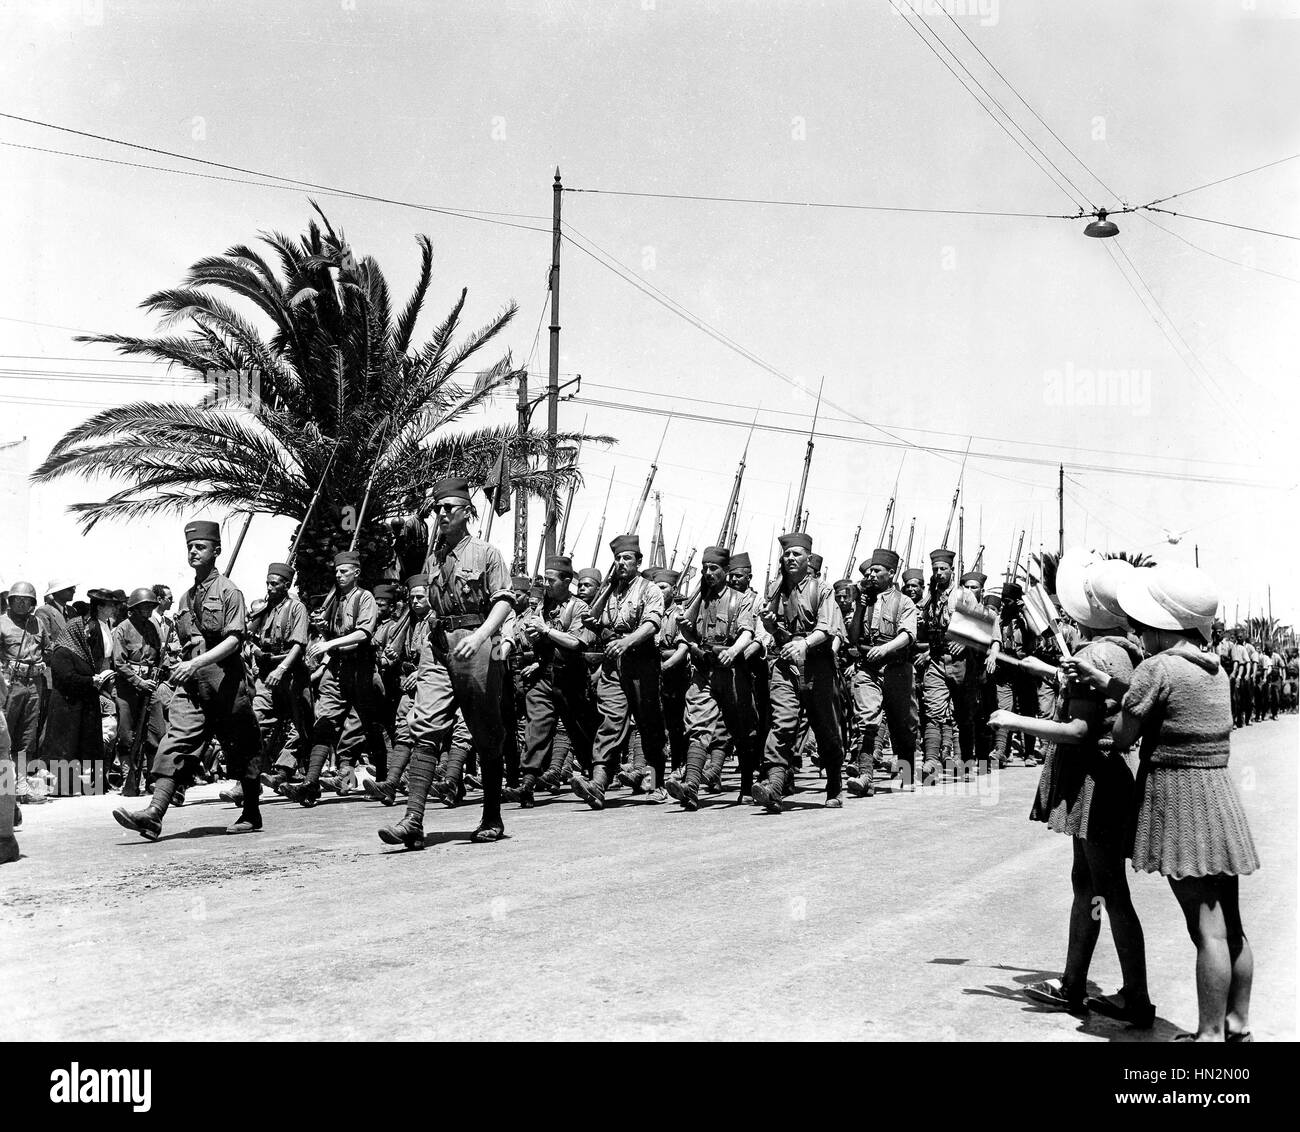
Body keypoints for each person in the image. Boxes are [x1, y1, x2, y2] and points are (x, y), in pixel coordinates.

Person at [997, 551, 1152, 1022]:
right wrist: (1045, 672)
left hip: (1094, 776)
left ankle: (1134, 997)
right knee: (1089, 883)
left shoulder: (1096, 653)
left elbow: (1083, 730)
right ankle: (1072, 983)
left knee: (1108, 889)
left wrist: (1014, 719)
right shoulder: (1124, 650)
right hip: (1105, 775)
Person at [1113, 563, 1258, 1042]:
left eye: (1142, 627)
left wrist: (1120, 707)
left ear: (1161, 626)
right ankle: (1237, 1021)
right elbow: (1179, 711)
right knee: (1230, 922)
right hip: (1218, 796)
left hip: (1179, 800)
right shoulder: (1215, 669)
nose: (1138, 635)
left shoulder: (1155, 668)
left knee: (1206, 929)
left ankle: (1209, 1034)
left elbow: (1123, 737)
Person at [378, 477, 516, 848]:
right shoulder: (434, 556)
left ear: (468, 512)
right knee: (424, 724)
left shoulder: (487, 553)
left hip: (475, 643)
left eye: (448, 508)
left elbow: (503, 601)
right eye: (437, 509)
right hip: (439, 645)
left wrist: (482, 635)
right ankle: (413, 820)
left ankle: (491, 816)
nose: (441, 514)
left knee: (485, 731)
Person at [112, 521, 263, 838]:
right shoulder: (184, 598)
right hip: (193, 685)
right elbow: (187, 641)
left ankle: (251, 812)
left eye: (201, 547)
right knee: (175, 740)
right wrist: (186, 664)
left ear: (216, 551)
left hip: (226, 681)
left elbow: (234, 639)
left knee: (240, 747)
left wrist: (196, 662)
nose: (194, 551)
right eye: (190, 547)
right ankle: (155, 813)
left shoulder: (229, 592)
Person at [282, 551, 388, 806]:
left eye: (344, 572)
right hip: (337, 669)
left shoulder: (365, 598)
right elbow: (330, 630)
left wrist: (329, 643)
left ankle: (386, 780)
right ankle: (310, 784)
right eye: (337, 572)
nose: (339, 576)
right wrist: (322, 626)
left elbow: (363, 633)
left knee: (373, 727)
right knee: (325, 724)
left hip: (361, 669)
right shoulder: (335, 601)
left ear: (356, 573)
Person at [570, 535, 668, 809]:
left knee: (648, 725)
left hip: (642, 662)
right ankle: (599, 783)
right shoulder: (610, 591)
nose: (621, 563)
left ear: (638, 561)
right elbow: (592, 619)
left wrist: (627, 641)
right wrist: (602, 617)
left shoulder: (649, 590)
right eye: (617, 558)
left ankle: (656, 783)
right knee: (610, 720)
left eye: (627, 558)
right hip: (614, 663)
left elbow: (651, 624)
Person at [753, 532, 845, 812]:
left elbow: (826, 628)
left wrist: (803, 644)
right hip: (786, 665)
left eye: (796, 554)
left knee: (826, 728)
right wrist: (770, 625)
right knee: (782, 723)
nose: (790, 558)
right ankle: (775, 786)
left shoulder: (822, 589)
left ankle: (834, 786)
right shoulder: (775, 589)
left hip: (818, 666)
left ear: (808, 558)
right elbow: (776, 630)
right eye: (787, 554)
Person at [665, 546, 757, 811]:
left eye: (713, 568)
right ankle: (691, 787)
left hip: (732, 671)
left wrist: (733, 651)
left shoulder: (740, 600)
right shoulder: (698, 601)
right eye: (705, 568)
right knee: (697, 725)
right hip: (704, 671)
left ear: (726, 571)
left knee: (742, 729)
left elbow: (747, 632)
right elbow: (687, 634)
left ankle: (746, 786)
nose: (707, 573)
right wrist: (691, 642)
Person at [504, 555, 594, 807]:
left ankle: (595, 774)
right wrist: (535, 636)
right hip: (543, 675)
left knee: (579, 730)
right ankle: (528, 784)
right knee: (536, 728)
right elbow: (531, 637)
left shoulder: (579, 608)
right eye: (543, 579)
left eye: (551, 580)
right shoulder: (541, 607)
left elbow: (577, 642)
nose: (545, 584)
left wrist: (546, 631)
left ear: (567, 580)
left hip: (571, 678)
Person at [845, 549, 918, 793]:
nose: (871, 575)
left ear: (891, 573)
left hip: (896, 667)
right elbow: (853, 637)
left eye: (877, 571)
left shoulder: (904, 601)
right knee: (866, 719)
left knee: (903, 724)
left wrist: (885, 649)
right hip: (868, 667)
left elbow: (908, 634)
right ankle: (866, 776)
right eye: (869, 572)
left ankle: (907, 776)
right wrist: (858, 608)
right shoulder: (864, 601)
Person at [40, 588, 118, 796]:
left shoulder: (82, 652)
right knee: (65, 746)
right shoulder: (63, 652)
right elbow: (66, 679)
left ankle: (91, 785)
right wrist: (91, 680)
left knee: (88, 744)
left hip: (83, 701)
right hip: (67, 704)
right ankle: (63, 787)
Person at [365, 574, 432, 805]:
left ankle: (453, 780)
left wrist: (421, 671)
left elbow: (444, 655)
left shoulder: (439, 621)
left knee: (437, 736)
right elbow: (397, 653)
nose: (415, 602)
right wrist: (391, 659)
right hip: (411, 687)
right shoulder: (407, 624)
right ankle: (391, 783)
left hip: (435, 684)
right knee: (403, 729)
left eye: (420, 597)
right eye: (412, 598)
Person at [245, 563, 311, 794]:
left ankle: (285, 771)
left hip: (290, 673)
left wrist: (281, 669)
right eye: (268, 583)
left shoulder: (296, 608)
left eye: (275, 584)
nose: (270, 588)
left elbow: (298, 645)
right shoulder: (264, 610)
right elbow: (247, 636)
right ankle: (247, 782)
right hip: (266, 674)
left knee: (297, 727)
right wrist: (255, 650)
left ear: (287, 585)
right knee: (256, 721)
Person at [111, 588, 169, 795]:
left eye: (150, 607)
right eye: (143, 607)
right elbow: (119, 662)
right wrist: (138, 681)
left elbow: (158, 658)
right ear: (133, 609)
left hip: (150, 687)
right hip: (128, 688)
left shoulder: (153, 628)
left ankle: (152, 778)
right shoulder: (122, 629)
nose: (147, 610)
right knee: (127, 735)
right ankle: (129, 776)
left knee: (157, 733)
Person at [1, 581, 52, 792]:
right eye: (18, 600)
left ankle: (21, 783)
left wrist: (42, 661)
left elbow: (48, 649)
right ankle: (5, 786)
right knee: (6, 733)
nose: (22, 604)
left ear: (33, 603)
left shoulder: (38, 623)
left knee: (28, 734)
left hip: (34, 683)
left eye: (27, 600)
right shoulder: (2, 623)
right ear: (10, 602)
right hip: (10, 683)